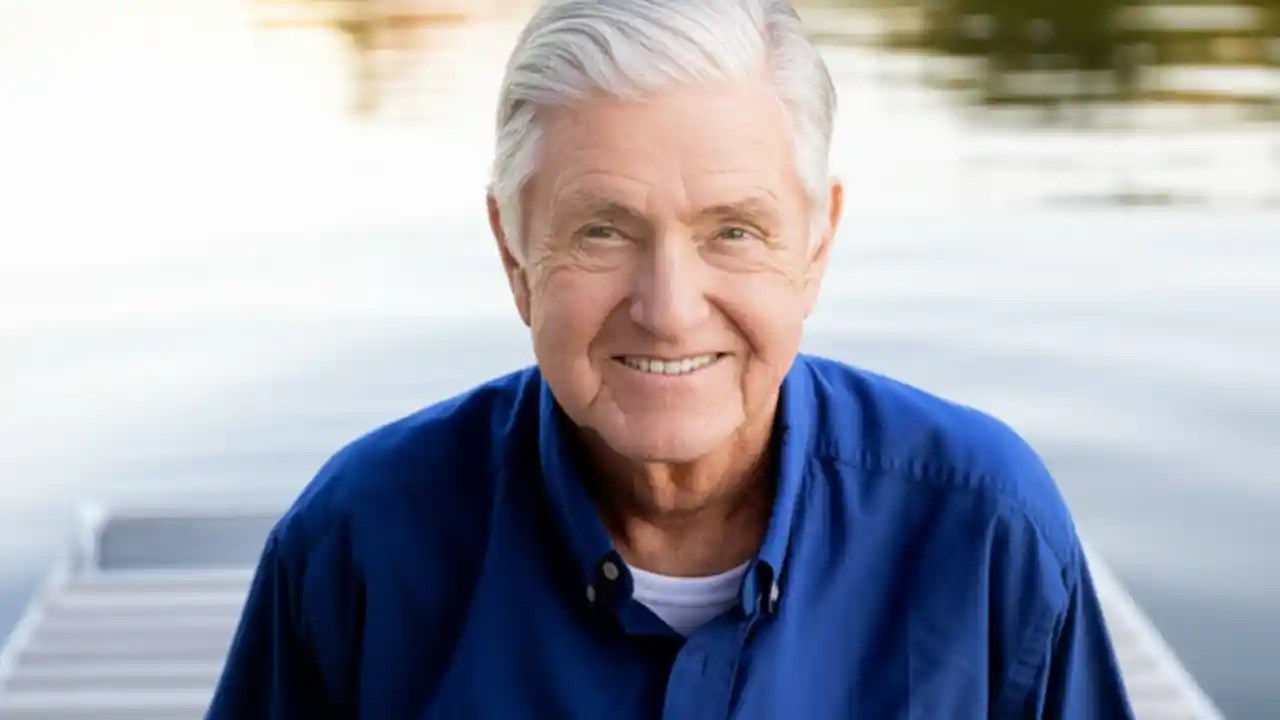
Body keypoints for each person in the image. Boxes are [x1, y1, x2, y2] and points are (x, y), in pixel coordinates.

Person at [207, 1, 1134, 717]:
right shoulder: (357, 548)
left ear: (816, 248)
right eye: (603, 231)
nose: (669, 309)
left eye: (733, 230)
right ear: (512, 253)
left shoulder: (983, 534)